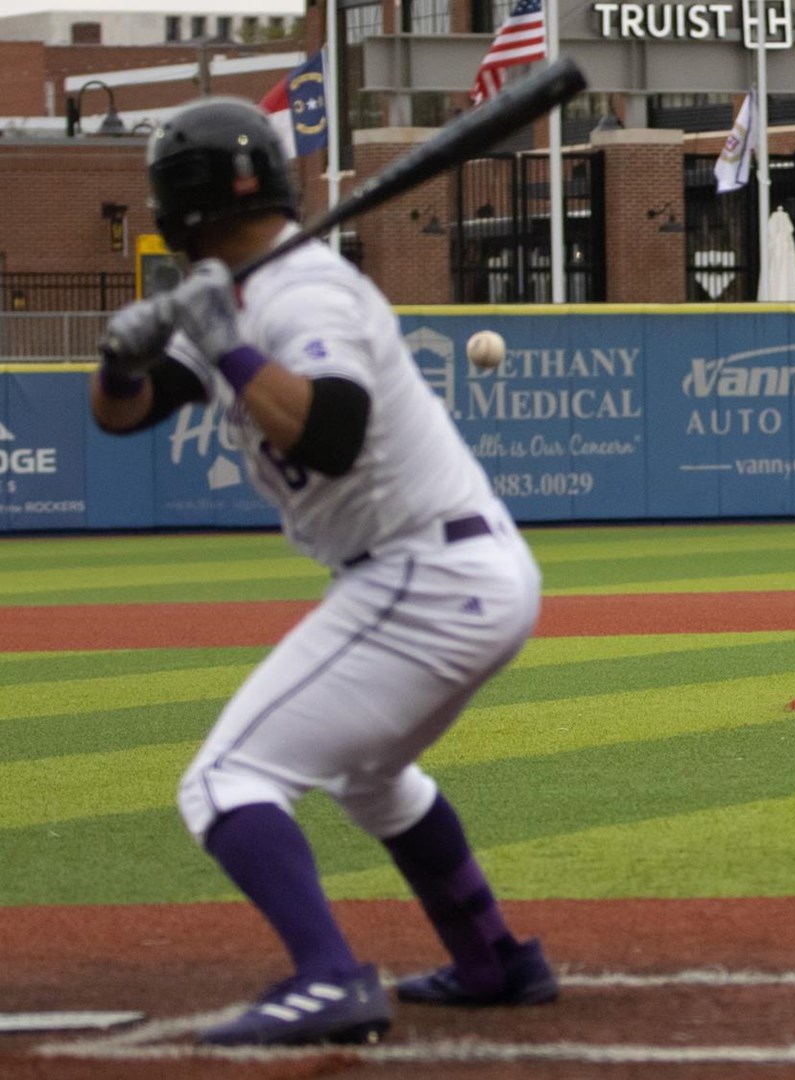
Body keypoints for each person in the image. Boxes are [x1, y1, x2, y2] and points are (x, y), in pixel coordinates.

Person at [89, 98, 557, 1047]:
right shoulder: (237, 293)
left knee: (225, 778)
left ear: (178, 206)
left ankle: (331, 977)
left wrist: (225, 339)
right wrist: (121, 357)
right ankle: (495, 957)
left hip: (425, 574)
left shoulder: (300, 293)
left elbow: (334, 436)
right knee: (372, 779)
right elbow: (123, 417)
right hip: (453, 570)